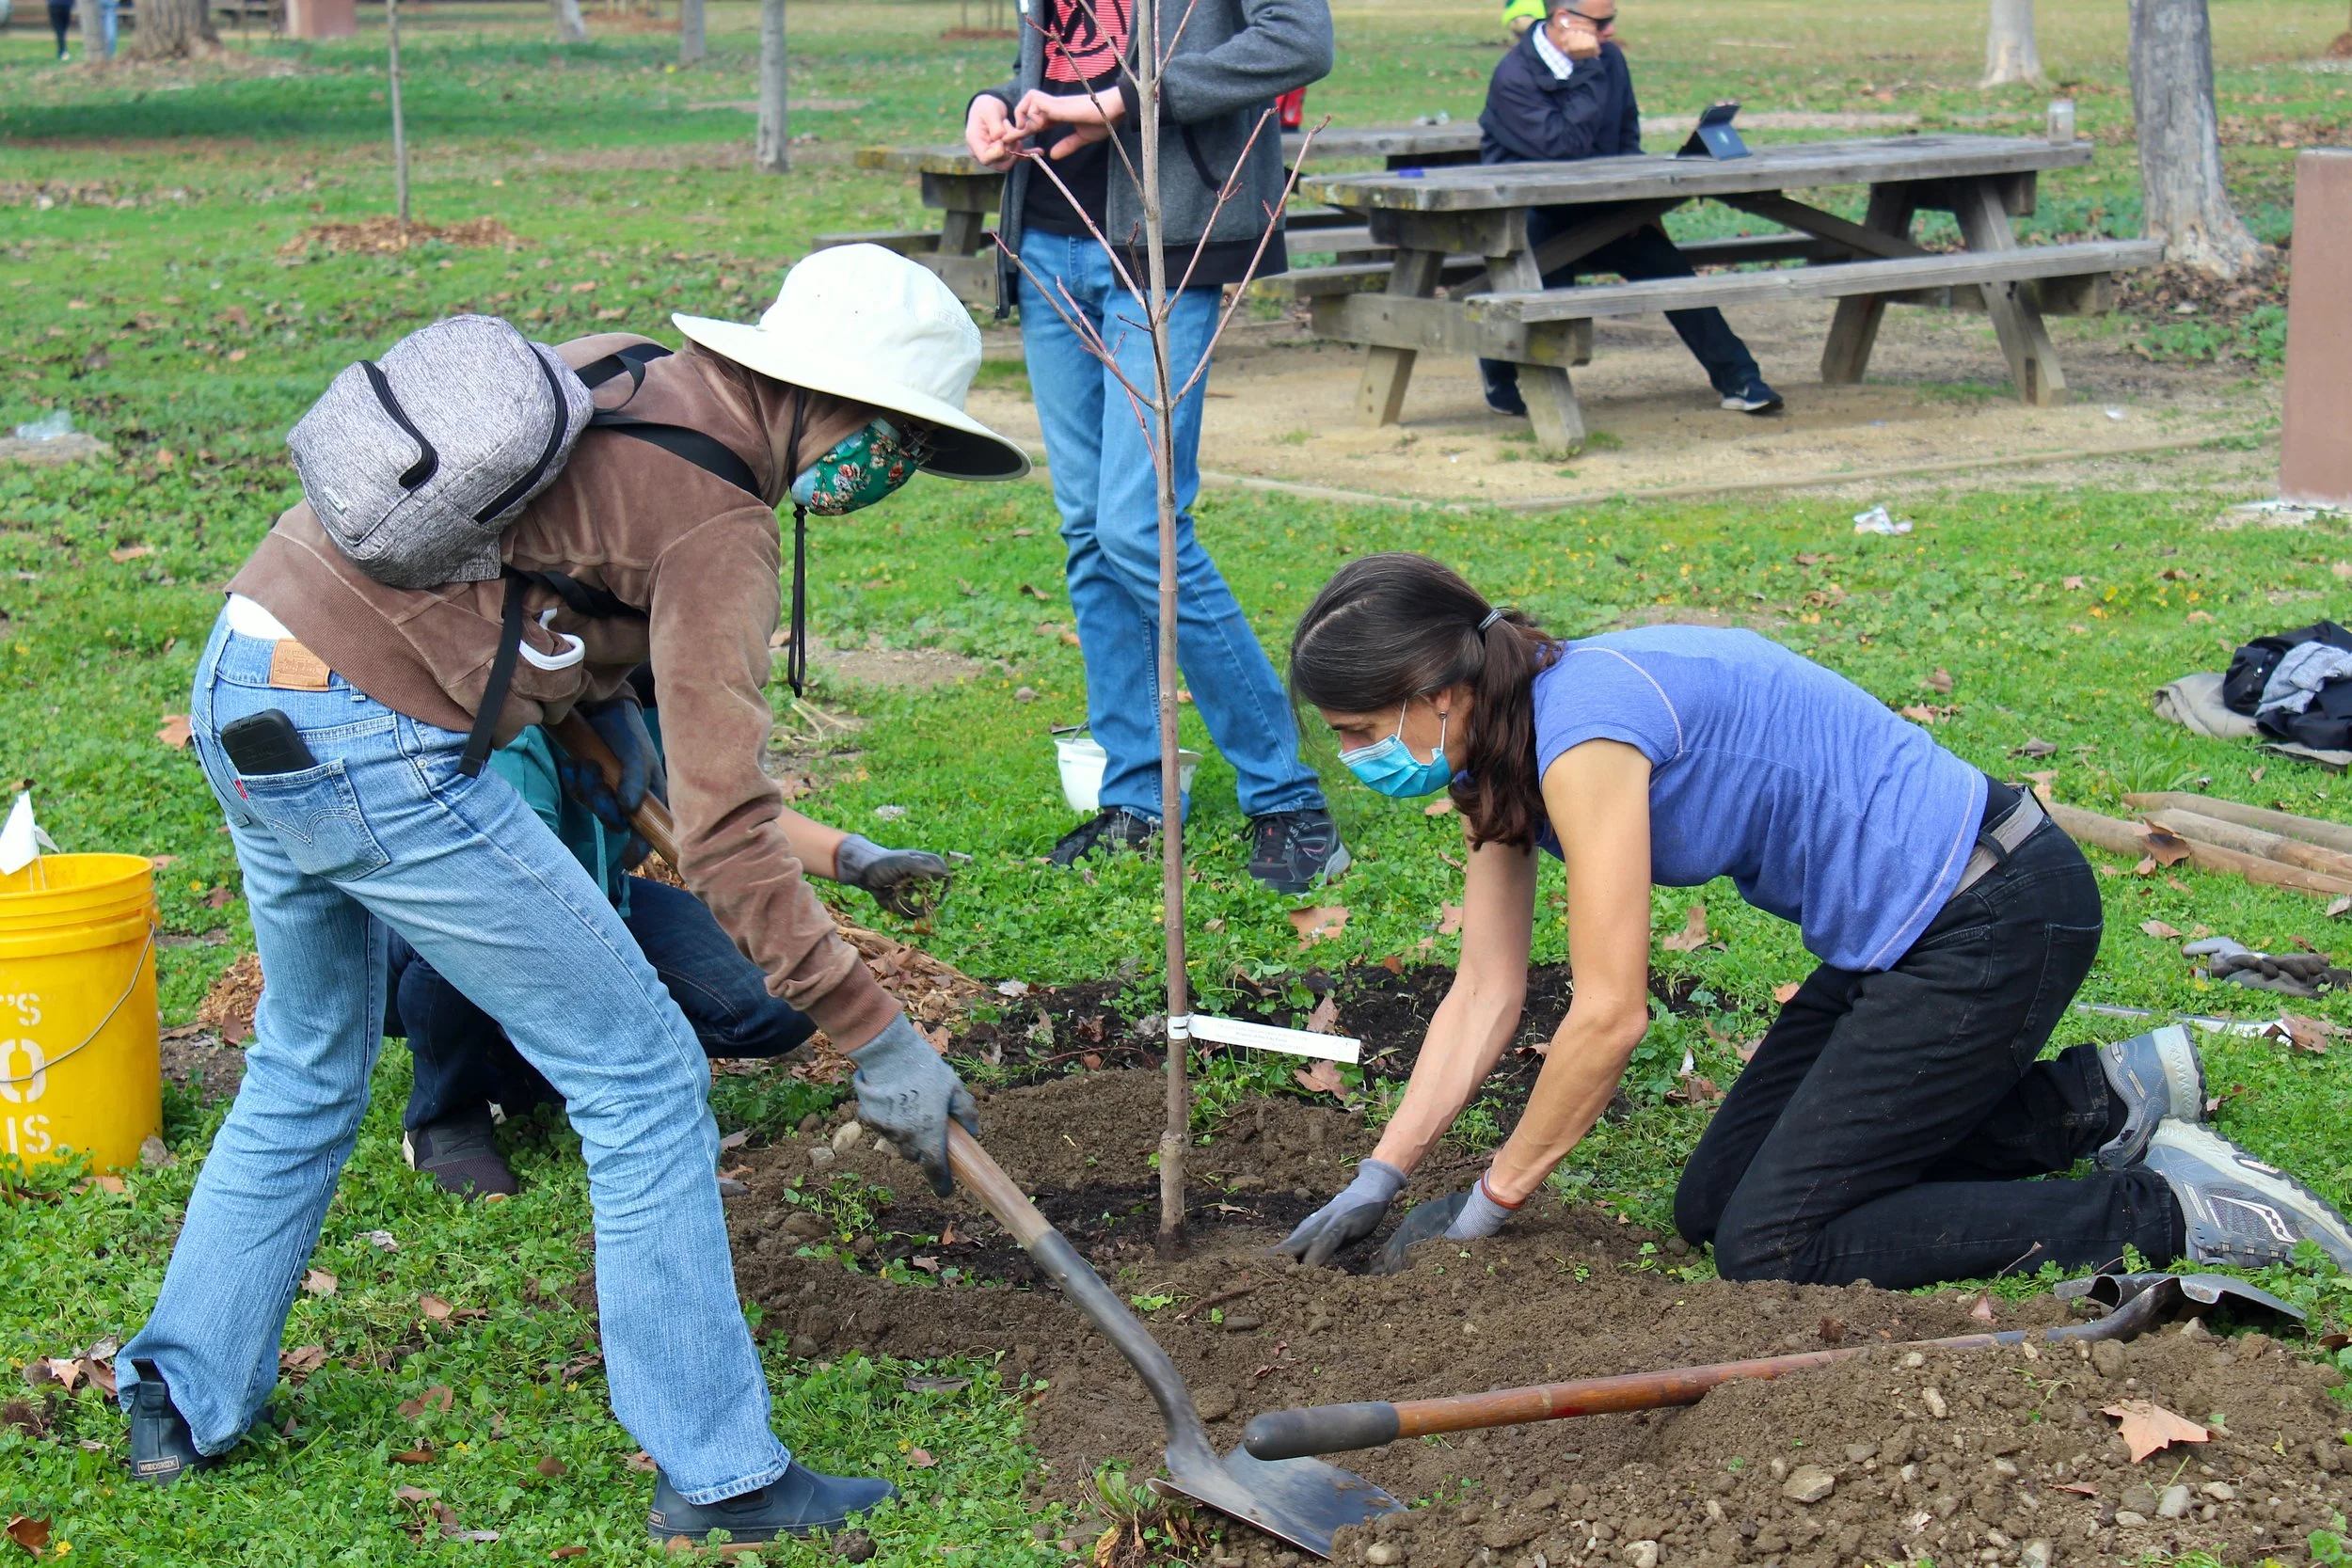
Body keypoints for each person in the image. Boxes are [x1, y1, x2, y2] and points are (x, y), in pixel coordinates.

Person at [115, 246, 1026, 1546]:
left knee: (306, 1058)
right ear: (835, 406)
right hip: (375, 738)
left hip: (252, 680)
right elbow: (732, 829)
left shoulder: (622, 375)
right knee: (645, 1075)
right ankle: (722, 1473)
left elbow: (535, 594)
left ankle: (175, 1392)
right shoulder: (721, 517)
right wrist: (876, 1033)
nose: (896, 470)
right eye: (902, 439)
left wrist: (606, 738)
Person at [1275, 552, 2352, 1287]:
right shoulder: (1502, 750)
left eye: (1365, 728)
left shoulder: (1583, 732)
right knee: (1712, 1206)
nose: (1363, 755)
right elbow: (1485, 990)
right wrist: (1383, 1171)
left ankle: (2176, 1211)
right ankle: (2092, 1099)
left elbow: (1607, 1017)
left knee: (1773, 1245)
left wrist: (1486, 1209)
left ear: (1437, 691)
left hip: (1994, 915)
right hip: (1903, 940)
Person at [961, 0, 1351, 895]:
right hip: (1053, 234)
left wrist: (1133, 99)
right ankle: (1139, 797)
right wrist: (1000, 100)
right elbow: (1061, 57)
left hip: (1166, 232)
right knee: (1090, 534)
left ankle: (1288, 796)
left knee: (1140, 527)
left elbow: (1299, 39)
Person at [391, 667, 955, 1199]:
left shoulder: (658, 691)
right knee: (470, 949)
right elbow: (510, 893)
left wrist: (853, 857)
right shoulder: (517, 716)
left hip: (603, 900)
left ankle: (519, 1060)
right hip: (473, 909)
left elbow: (728, 812)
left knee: (767, 1007)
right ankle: (447, 1114)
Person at [1474, 0, 1785, 420]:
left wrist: (1637, 206)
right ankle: (1501, 373)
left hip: (1602, 209)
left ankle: (1740, 378)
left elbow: (1625, 135)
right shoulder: (1515, 75)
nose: (1609, 32)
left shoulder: (1611, 59)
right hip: (1528, 213)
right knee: (1544, 292)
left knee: (1671, 271)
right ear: (1563, 20)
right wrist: (1584, 71)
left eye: (1611, 20)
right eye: (1601, 23)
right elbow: (1564, 151)